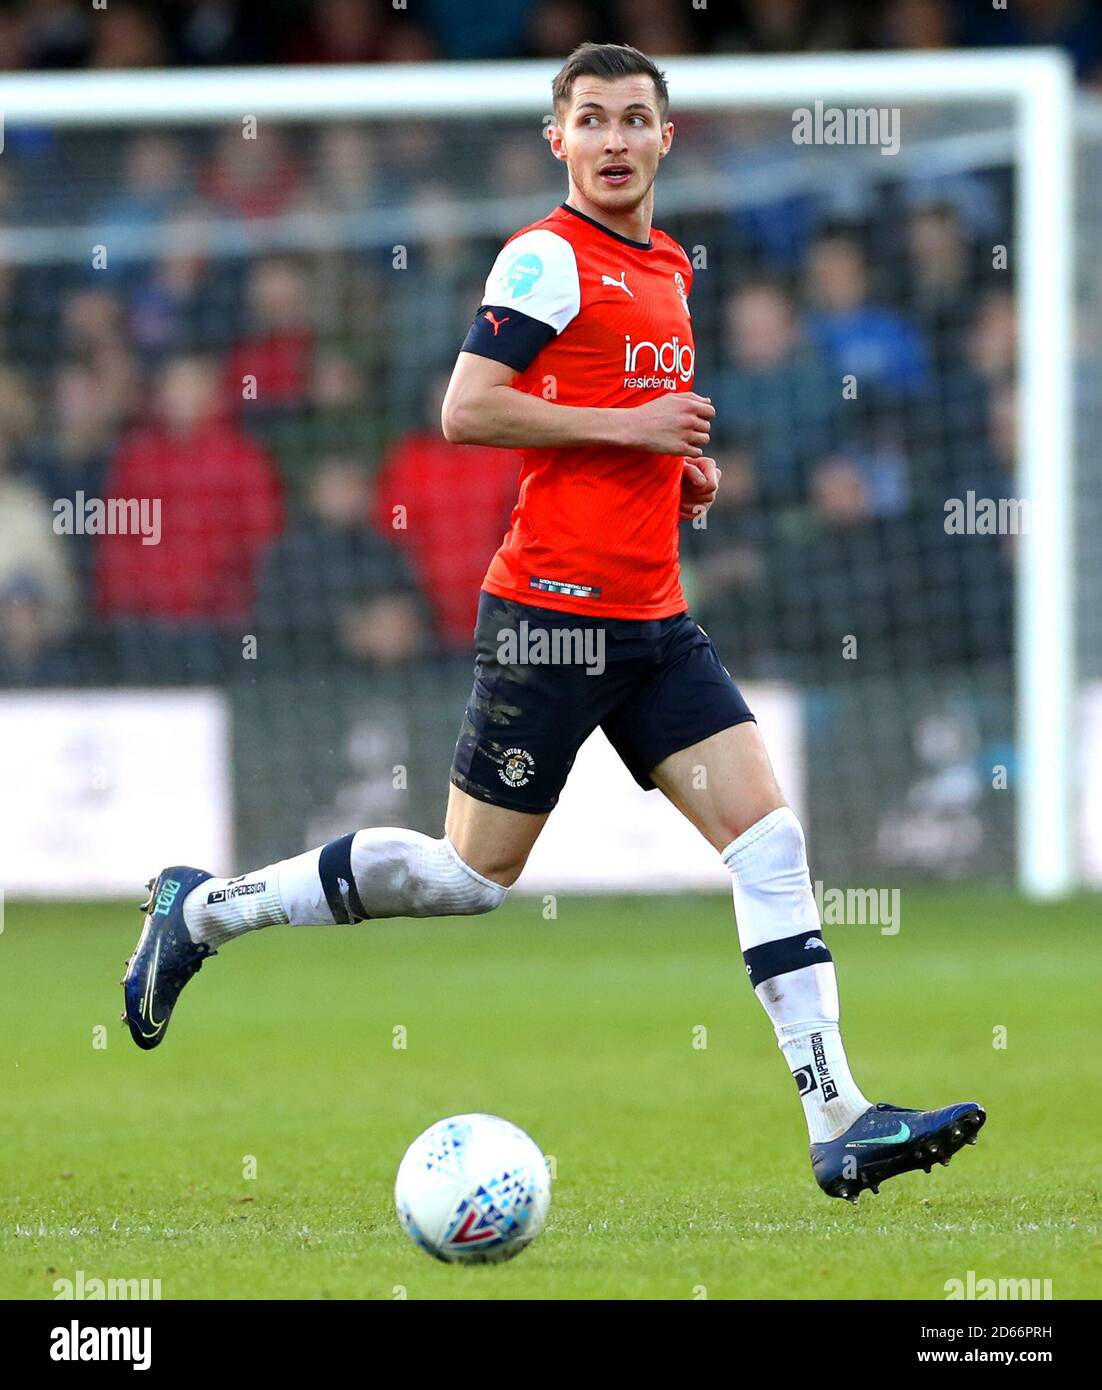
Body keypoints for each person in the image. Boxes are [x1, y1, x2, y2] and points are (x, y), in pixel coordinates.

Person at [122, 42, 984, 1205]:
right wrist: (633, 433)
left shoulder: (670, 263)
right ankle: (207, 910)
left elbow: (611, 420)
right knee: (472, 875)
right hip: (550, 616)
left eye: (637, 118)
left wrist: (676, 474)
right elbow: (468, 407)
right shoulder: (544, 258)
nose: (616, 139)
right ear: (559, 140)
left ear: (666, 138)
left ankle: (838, 1119)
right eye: (594, 120)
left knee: (769, 845)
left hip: (655, 621)